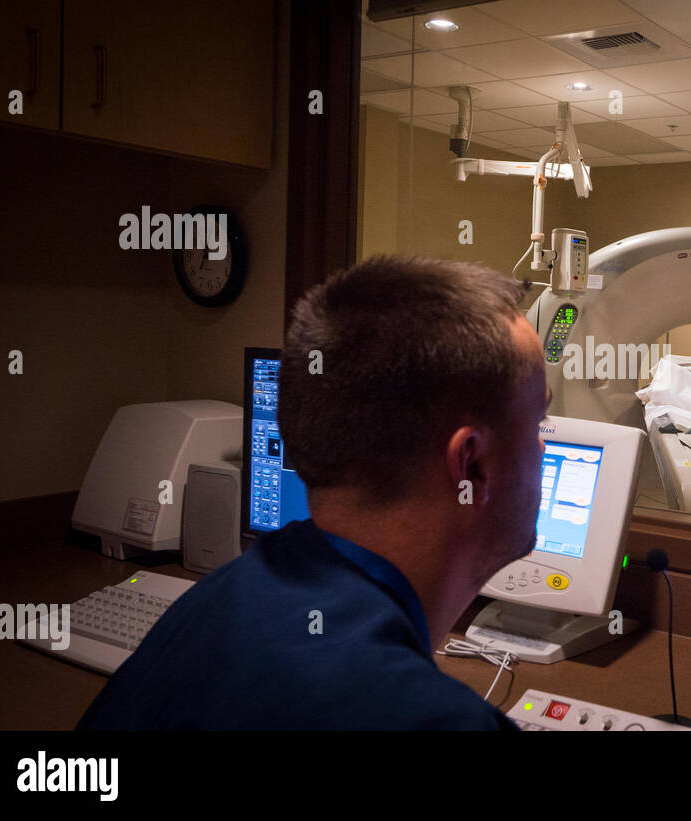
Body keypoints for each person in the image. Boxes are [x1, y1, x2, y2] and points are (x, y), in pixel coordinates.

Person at [78, 257, 548, 730]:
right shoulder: (431, 719)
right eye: (537, 422)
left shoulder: (227, 592)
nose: (544, 444)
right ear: (471, 465)